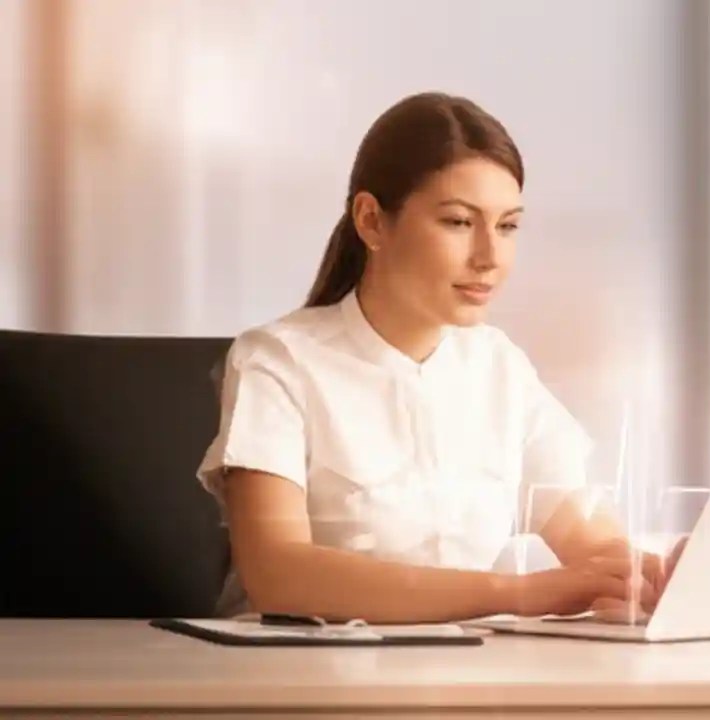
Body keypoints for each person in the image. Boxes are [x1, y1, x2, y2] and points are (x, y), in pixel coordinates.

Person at [197, 92, 683, 624]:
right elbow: (279, 575)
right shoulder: (279, 361)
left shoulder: (499, 367)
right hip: (297, 669)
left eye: (507, 226)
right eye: (458, 222)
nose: (489, 257)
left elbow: (592, 542)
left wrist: (650, 577)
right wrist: (516, 593)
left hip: (463, 666)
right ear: (371, 221)